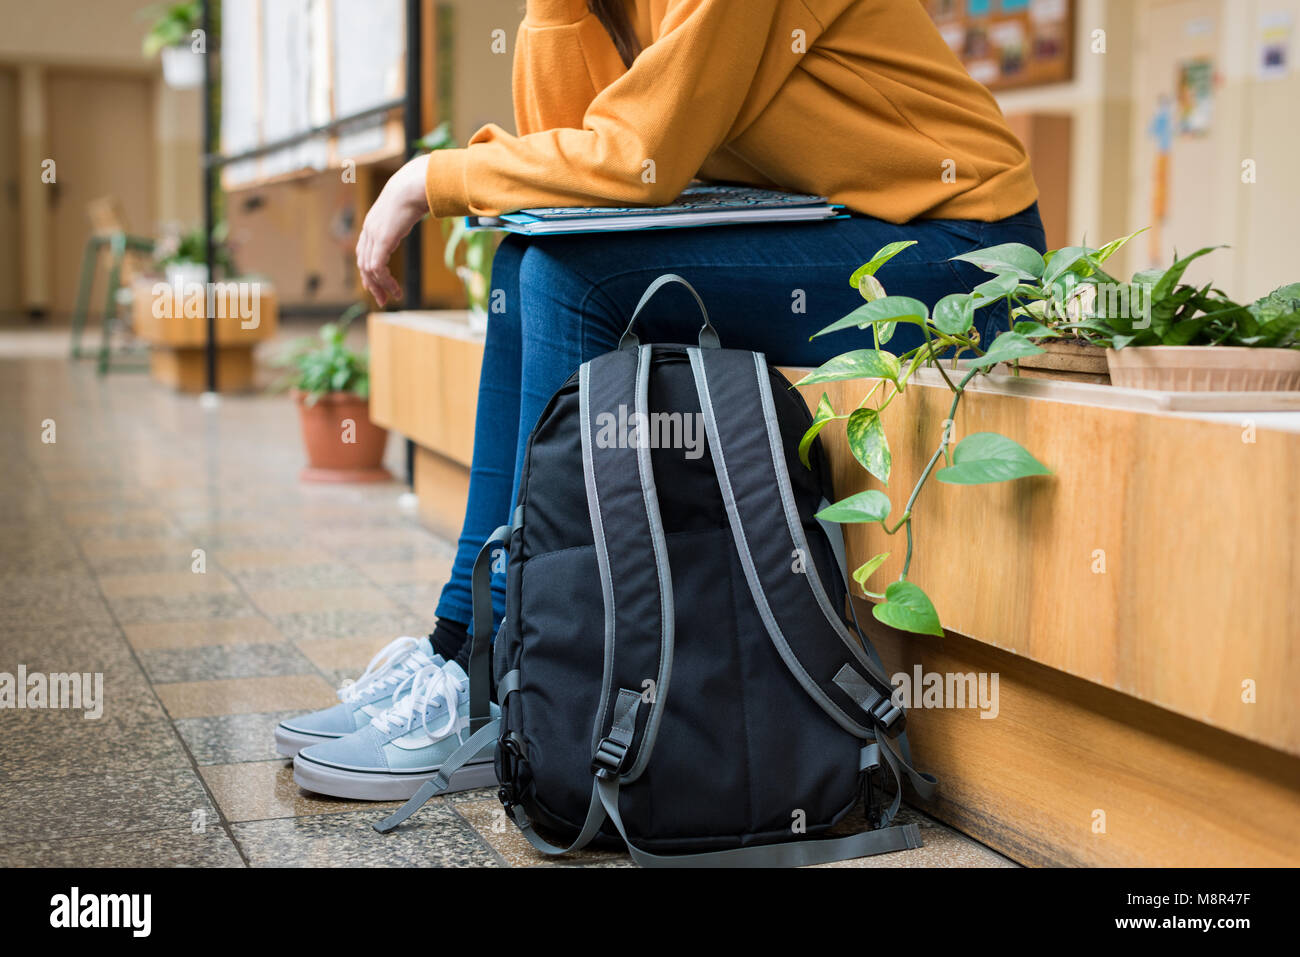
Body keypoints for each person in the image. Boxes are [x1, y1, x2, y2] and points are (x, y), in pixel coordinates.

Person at [280, 0, 1045, 799]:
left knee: (571, 278)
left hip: (963, 245)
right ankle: (467, 649)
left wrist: (428, 177)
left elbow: (635, 155)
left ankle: (525, 683)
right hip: (859, 217)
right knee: (523, 263)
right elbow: (572, 154)